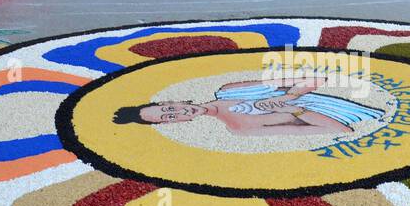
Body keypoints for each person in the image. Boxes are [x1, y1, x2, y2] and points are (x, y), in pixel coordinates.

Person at [114, 78, 384, 136]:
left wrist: (289, 95)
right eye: (168, 118)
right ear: (174, 124)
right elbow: (343, 130)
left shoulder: (231, 89)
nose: (176, 112)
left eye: (167, 108)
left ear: (170, 101)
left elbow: (314, 79)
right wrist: (294, 112)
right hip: (366, 119)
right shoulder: (241, 129)